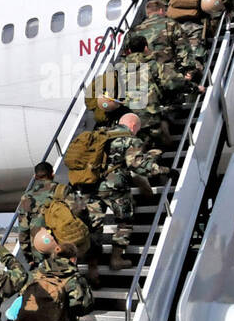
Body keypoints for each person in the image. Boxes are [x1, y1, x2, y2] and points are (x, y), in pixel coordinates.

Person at [71, 113, 168, 272]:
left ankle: (92, 269)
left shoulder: (100, 136)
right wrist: (164, 170)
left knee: (93, 227)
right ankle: (116, 259)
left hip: (90, 187)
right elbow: (139, 165)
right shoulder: (129, 139)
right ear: (133, 126)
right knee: (125, 222)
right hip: (115, 188)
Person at [128, 0, 202, 111]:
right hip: (168, 77)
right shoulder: (170, 24)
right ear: (162, 10)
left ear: (148, 13)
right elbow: (183, 50)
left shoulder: (133, 31)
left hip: (144, 79)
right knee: (199, 67)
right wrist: (189, 71)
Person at [17, 162, 86, 265]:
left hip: (40, 248)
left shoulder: (27, 197)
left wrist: (28, 256)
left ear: (35, 176)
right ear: (52, 174)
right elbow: (79, 210)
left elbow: (23, 230)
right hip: (62, 244)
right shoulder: (63, 190)